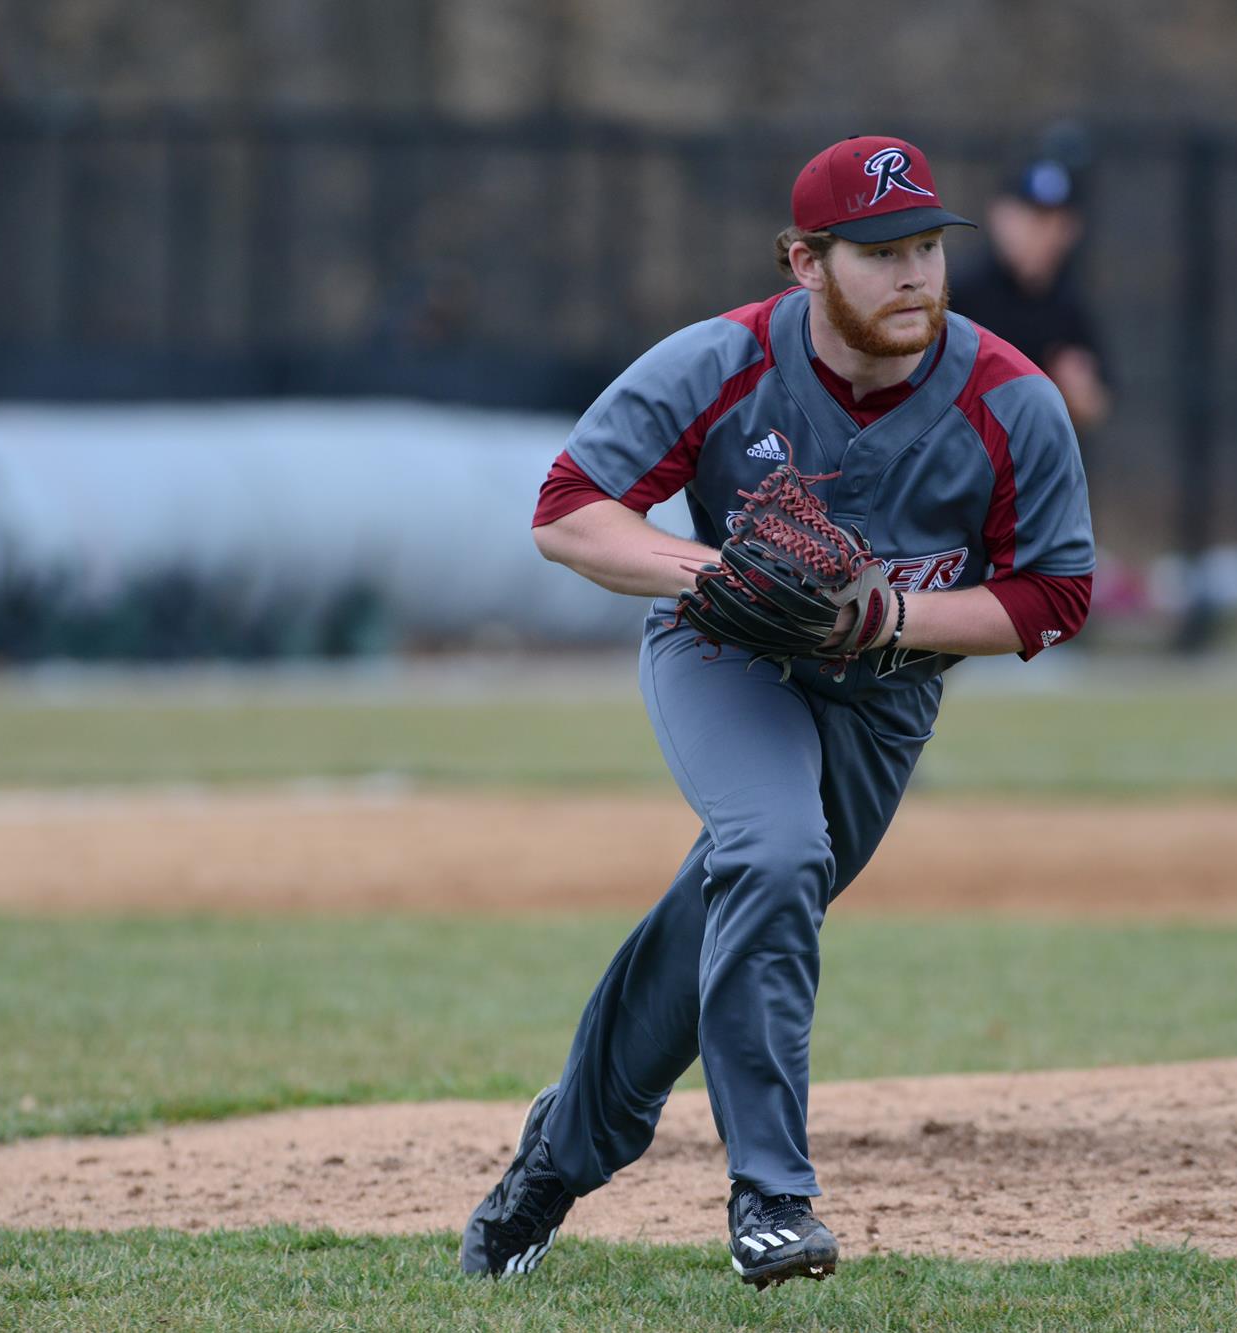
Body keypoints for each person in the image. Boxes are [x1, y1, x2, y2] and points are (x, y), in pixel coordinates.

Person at [460, 134, 1094, 1288]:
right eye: (876, 253)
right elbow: (566, 510)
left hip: (881, 698)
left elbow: (1053, 595)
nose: (912, 275)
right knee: (771, 846)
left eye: (923, 249)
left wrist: (884, 623)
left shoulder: (1010, 400)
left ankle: (554, 1159)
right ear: (804, 261)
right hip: (726, 653)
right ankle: (771, 1195)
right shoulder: (720, 364)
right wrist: (706, 573)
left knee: (731, 906)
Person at [947, 155, 1112, 433]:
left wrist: (1078, 392)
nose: (1045, 234)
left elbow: (1097, 402)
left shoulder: (1067, 305)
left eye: (1057, 222)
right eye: (1033, 219)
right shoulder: (961, 293)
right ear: (999, 216)